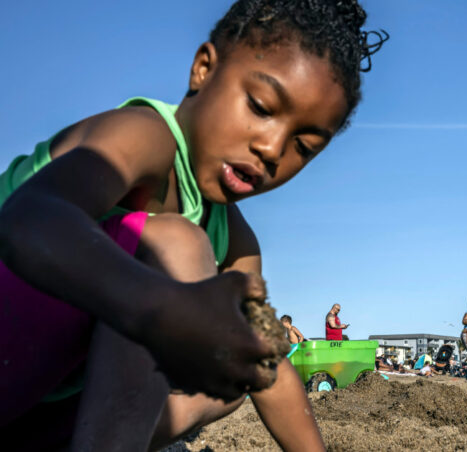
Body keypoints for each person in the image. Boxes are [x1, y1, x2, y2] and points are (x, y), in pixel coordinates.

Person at [0, 1, 386, 449]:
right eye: (261, 107)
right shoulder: (142, 136)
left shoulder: (237, 242)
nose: (272, 148)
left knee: (239, 367)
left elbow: (270, 366)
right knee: (180, 245)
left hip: (35, 407)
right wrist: (156, 306)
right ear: (204, 68)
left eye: (303, 146)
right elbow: (30, 217)